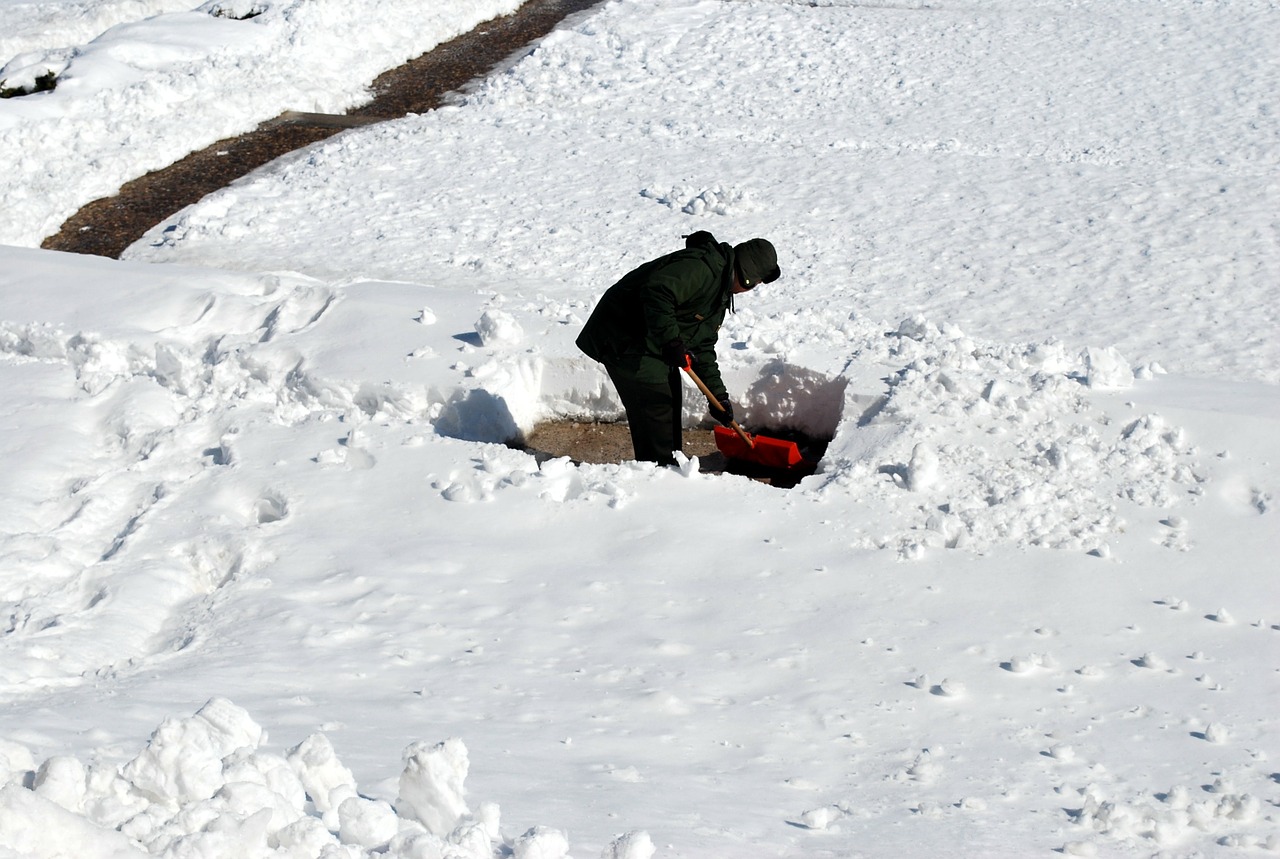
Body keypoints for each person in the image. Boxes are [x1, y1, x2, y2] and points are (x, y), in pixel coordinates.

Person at [576, 231, 780, 466]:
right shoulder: (702, 269)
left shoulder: (720, 288)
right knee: (655, 403)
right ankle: (658, 472)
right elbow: (656, 292)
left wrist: (718, 397)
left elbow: (702, 345)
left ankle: (669, 465)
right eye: (754, 284)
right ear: (747, 277)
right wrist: (672, 341)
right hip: (624, 336)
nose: (752, 289)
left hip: (651, 339)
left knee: (670, 397)